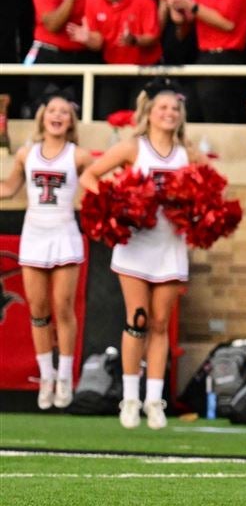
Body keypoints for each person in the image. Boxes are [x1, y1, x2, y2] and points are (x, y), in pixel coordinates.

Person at [80, 80, 202, 430]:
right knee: (137, 320)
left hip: (170, 246)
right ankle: (129, 399)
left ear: (180, 117)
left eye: (175, 109)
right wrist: (115, 200)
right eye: (163, 108)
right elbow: (89, 176)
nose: (169, 113)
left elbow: (209, 192)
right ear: (149, 113)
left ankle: (154, 400)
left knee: (160, 324)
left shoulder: (186, 153)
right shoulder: (132, 147)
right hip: (135, 245)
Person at [0, 94, 91, 410]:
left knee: (63, 307)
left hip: (65, 232)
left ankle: (65, 376)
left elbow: (97, 184)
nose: (57, 116)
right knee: (38, 310)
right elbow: (9, 188)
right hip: (34, 234)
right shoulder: (27, 154)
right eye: (52, 110)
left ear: (71, 121)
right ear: (42, 117)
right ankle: (46, 376)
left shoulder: (78, 156)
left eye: (64, 112)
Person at [78, 0, 162, 117]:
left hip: (143, 70)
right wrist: (87, 39)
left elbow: (153, 36)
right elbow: (98, 43)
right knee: (107, 117)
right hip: (113, 69)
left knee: (139, 118)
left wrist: (134, 40)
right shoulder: (92, 1)